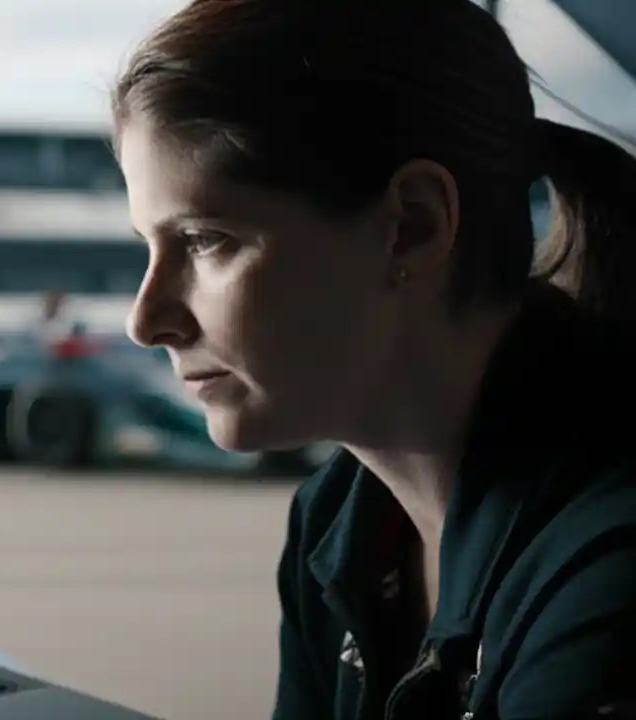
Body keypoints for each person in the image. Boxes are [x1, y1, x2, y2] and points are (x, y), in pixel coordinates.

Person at [112, 1, 636, 718]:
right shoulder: (335, 525)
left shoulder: (611, 571)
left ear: (412, 226)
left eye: (206, 240)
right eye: (149, 245)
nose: (147, 321)